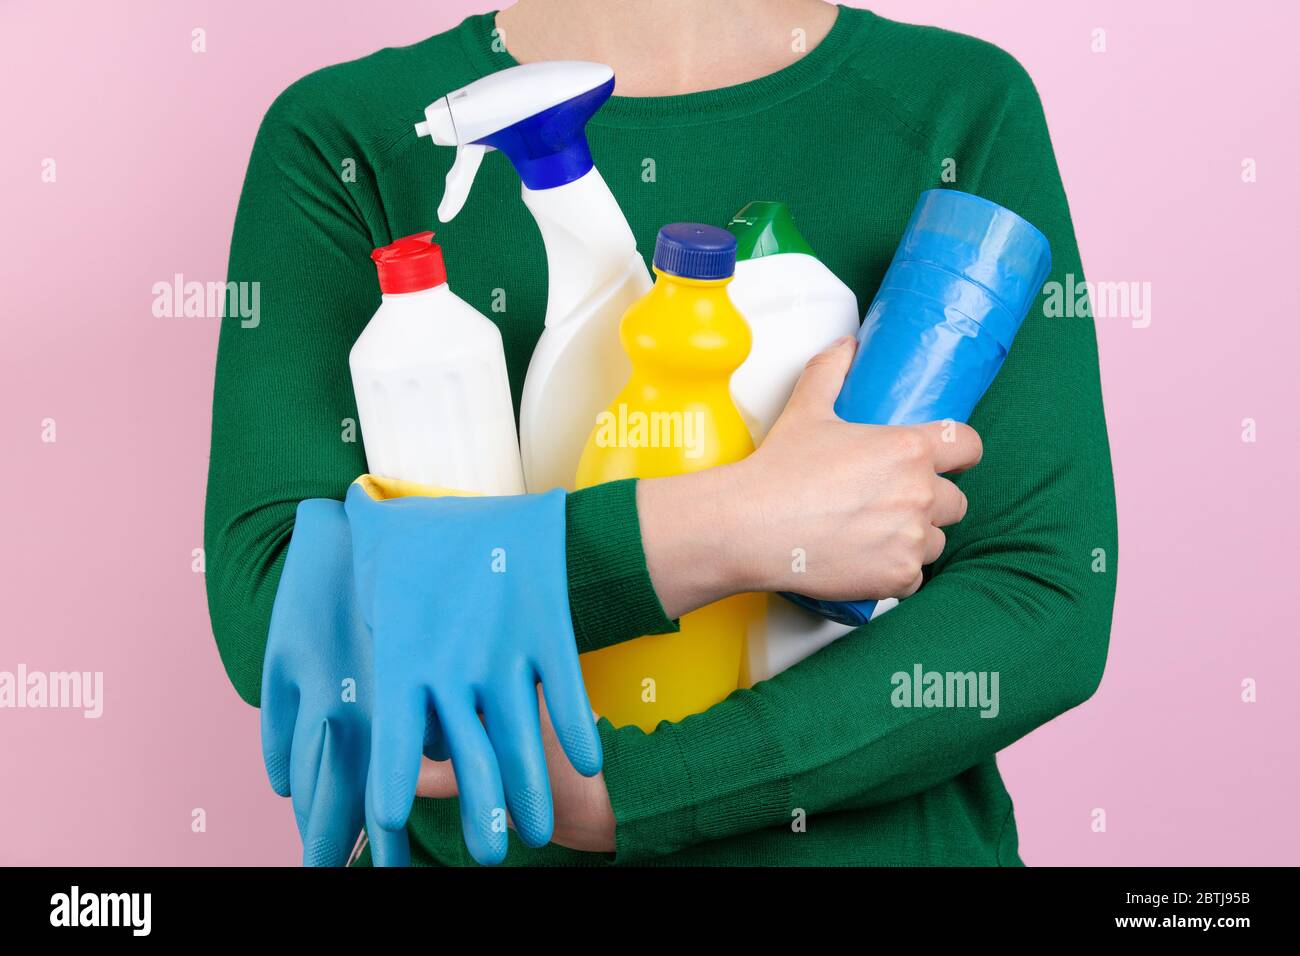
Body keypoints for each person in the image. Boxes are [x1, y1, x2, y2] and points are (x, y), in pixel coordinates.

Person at [206, 0, 1116, 865]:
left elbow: (1042, 596)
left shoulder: (958, 105)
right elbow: (277, 609)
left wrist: (634, 793)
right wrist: (740, 524)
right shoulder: (347, 136)